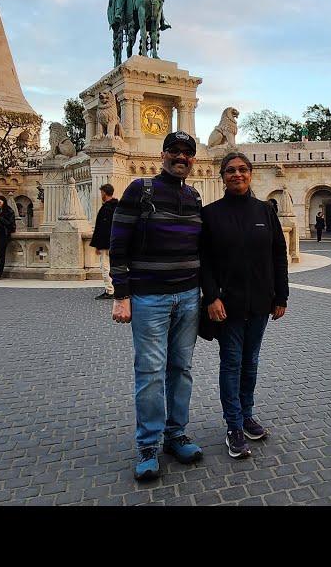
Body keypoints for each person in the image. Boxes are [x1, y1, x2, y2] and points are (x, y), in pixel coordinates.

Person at [109, 130, 205, 480]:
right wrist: (121, 295)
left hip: (188, 297)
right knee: (150, 372)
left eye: (188, 153)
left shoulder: (194, 196)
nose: (181, 158)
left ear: (193, 159)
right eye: (175, 151)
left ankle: (175, 434)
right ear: (163, 155)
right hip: (149, 298)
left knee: (181, 368)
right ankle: (148, 444)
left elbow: (201, 249)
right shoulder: (140, 190)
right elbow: (118, 244)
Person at [200, 151, 289, 460]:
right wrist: (211, 297)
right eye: (230, 171)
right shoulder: (210, 214)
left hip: (260, 303)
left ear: (251, 174)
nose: (236, 174)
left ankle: (247, 415)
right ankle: (234, 426)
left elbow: (279, 254)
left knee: (250, 362)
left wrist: (281, 296)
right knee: (232, 363)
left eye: (242, 170)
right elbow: (205, 261)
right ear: (222, 176)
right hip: (228, 305)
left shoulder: (266, 211)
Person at [90, 183, 118, 300]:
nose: (101, 195)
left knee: (105, 267)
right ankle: (116, 288)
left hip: (106, 244)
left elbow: (102, 229)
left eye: (101, 193)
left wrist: (98, 244)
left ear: (104, 193)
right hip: (117, 243)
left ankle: (110, 290)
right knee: (116, 267)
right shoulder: (118, 206)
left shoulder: (106, 208)